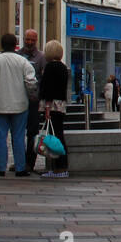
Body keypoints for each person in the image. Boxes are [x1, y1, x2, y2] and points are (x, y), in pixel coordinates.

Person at [0, 32, 38, 177]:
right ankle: (20, 167)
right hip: (20, 104)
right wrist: (30, 94)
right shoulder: (23, 62)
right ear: (16, 45)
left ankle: (0, 167)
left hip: (0, 103)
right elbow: (31, 82)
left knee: (1, 136)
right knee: (19, 136)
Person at [38, 40, 70, 178]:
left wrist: (47, 108)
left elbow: (48, 88)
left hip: (52, 106)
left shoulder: (49, 67)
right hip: (61, 105)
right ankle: (59, 167)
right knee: (58, 135)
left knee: (54, 137)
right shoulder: (63, 67)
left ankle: (59, 168)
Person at [21, 29, 47, 173]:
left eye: (32, 40)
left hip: (33, 100)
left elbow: (43, 79)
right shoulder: (18, 55)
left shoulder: (41, 58)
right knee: (18, 132)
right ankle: (20, 161)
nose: (29, 42)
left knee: (32, 132)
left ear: (36, 40)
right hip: (19, 98)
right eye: (27, 39)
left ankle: (30, 163)